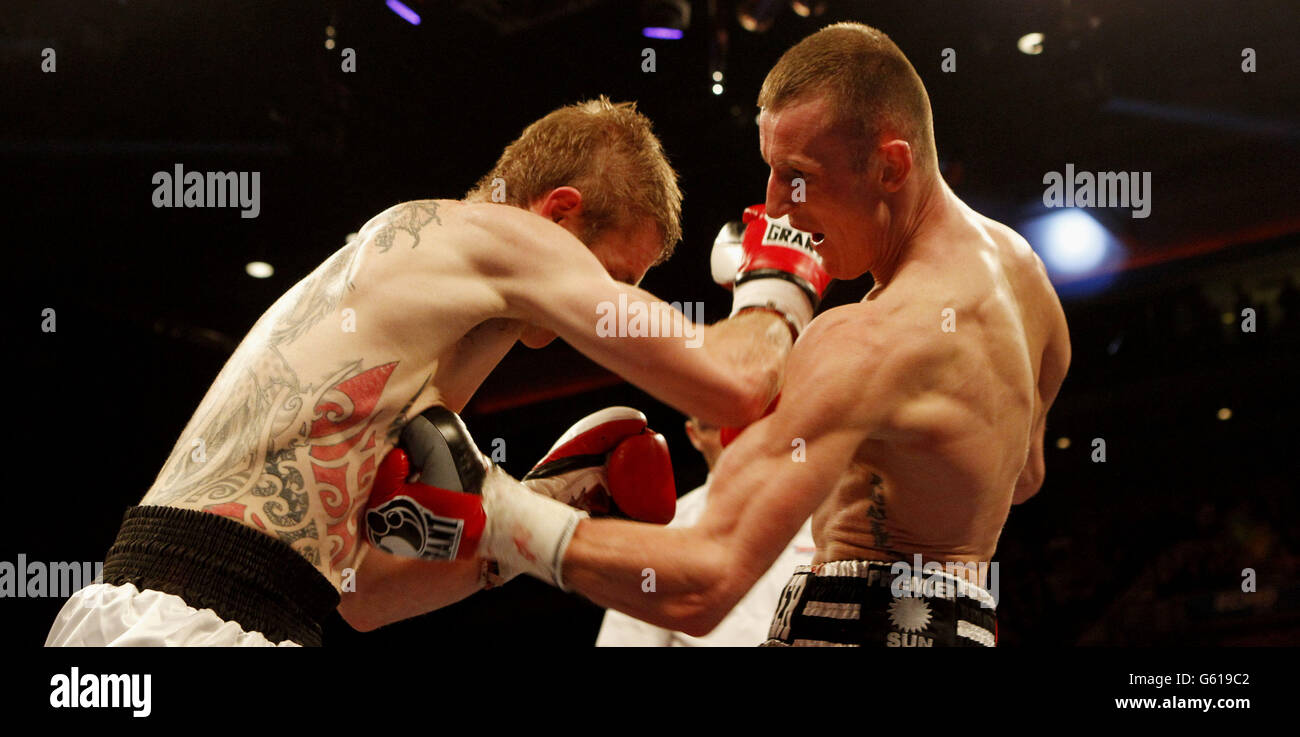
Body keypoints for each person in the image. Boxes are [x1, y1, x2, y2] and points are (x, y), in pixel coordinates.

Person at [44, 97, 828, 647]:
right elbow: (732, 382)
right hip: (191, 613)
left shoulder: (425, 337)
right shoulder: (492, 235)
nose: (612, 305)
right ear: (558, 214)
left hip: (213, 612)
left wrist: (532, 511)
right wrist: (783, 272)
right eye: (617, 277)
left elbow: (362, 598)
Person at [399, 23, 1072, 647]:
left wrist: (498, 505)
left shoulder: (865, 339)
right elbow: (1023, 477)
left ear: (891, 166)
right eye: (772, 168)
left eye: (799, 175)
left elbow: (706, 582)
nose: (775, 205)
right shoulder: (1026, 280)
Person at [595, 417, 814, 646]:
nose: (731, 438)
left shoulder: (823, 519)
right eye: (716, 425)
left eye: (744, 424)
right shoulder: (661, 535)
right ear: (694, 435)